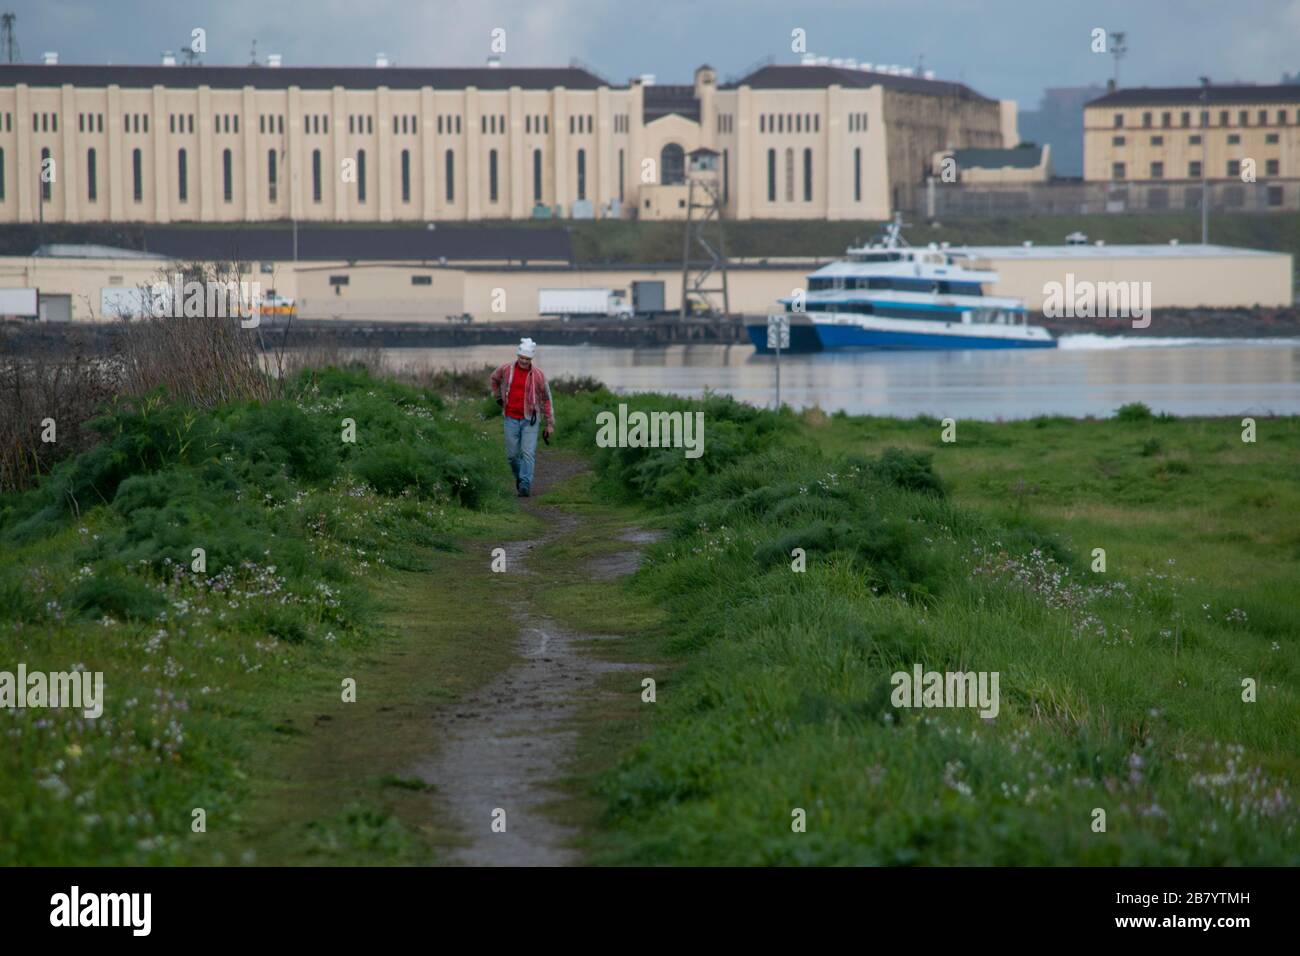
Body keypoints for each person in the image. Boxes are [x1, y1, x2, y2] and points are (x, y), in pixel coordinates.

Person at [489, 338, 555, 497]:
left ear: (531, 359)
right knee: (512, 456)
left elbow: (546, 399)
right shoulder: (506, 369)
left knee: (528, 453)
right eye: (522, 358)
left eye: (527, 359)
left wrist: (549, 424)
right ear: (518, 355)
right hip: (510, 418)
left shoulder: (538, 375)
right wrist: (498, 397)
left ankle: (525, 485)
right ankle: (520, 477)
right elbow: (494, 379)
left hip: (530, 420)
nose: (524, 361)